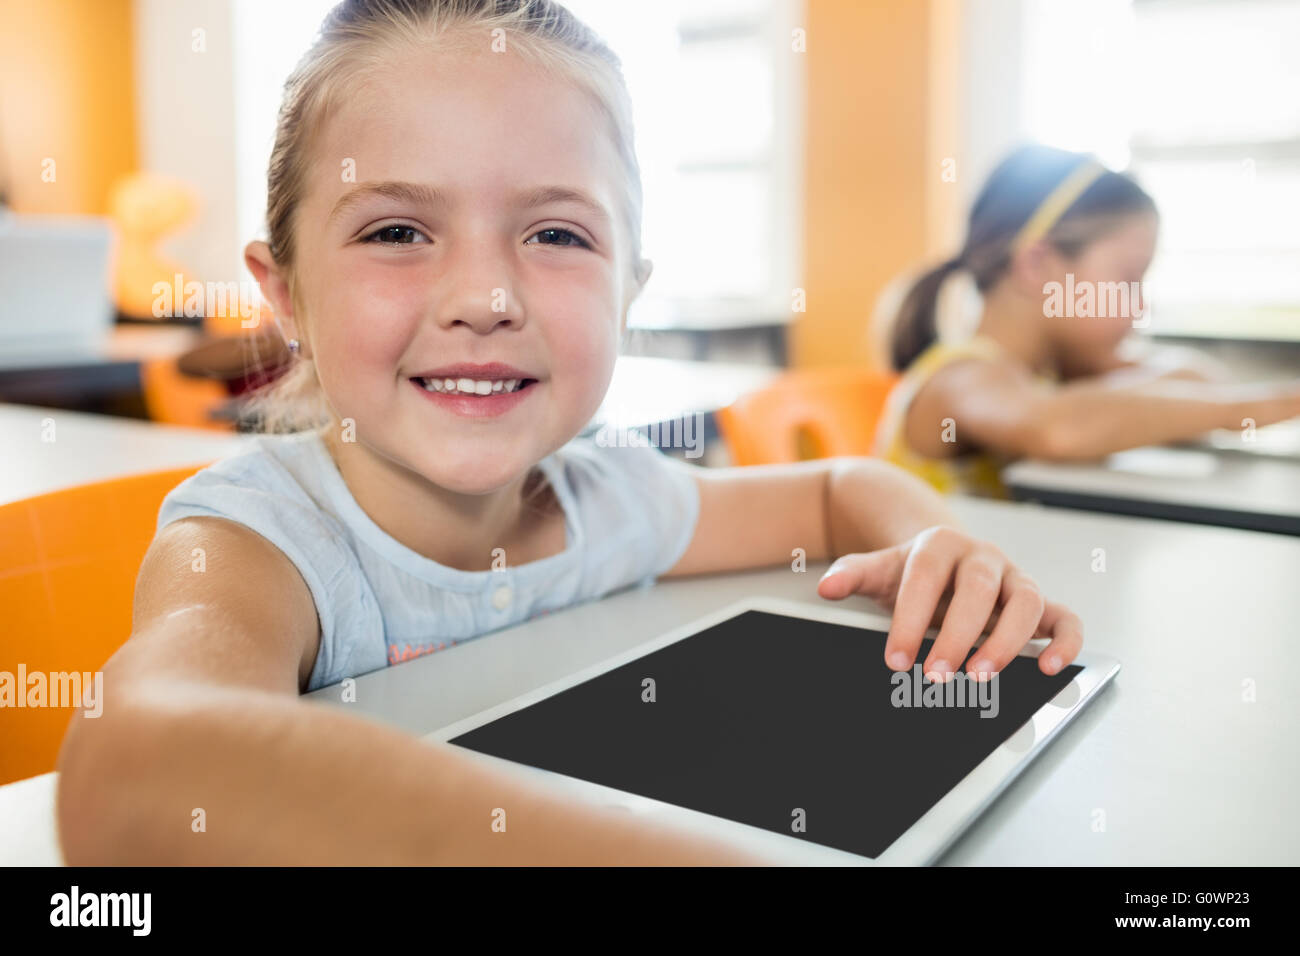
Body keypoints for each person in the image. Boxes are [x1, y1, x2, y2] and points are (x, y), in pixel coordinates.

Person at [57, 0, 1083, 865]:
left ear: (629, 291)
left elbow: (835, 489)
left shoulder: (609, 498)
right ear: (285, 294)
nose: (486, 295)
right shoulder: (260, 541)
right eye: (396, 230)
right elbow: (137, 764)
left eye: (556, 234)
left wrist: (926, 539)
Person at [875, 143, 1300, 496]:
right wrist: (1274, 402)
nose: (1139, 307)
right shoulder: (961, 376)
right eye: (1128, 278)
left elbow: (1197, 378)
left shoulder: (1050, 372)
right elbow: (1056, 430)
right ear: (1035, 264)